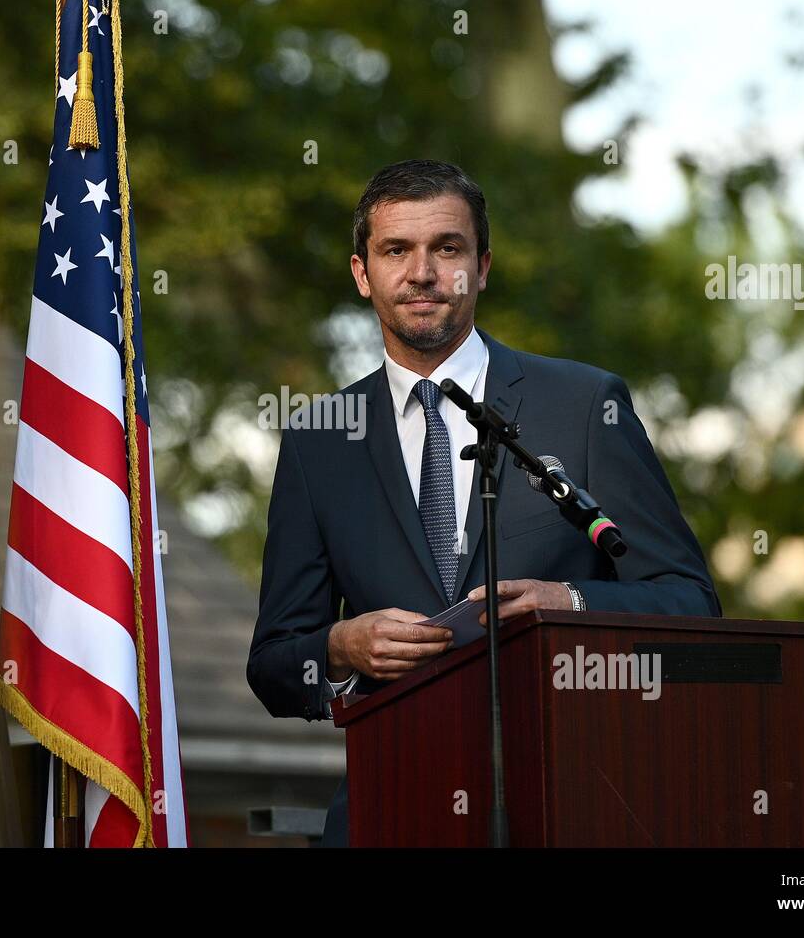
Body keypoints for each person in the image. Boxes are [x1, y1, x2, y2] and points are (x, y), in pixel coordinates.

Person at [246, 159, 720, 847]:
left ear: (483, 266)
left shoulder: (584, 406)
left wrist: (575, 603)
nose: (422, 272)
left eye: (447, 247)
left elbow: (690, 601)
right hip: (391, 812)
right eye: (395, 251)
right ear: (361, 273)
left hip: (571, 805)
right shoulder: (319, 441)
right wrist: (342, 645)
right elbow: (274, 666)